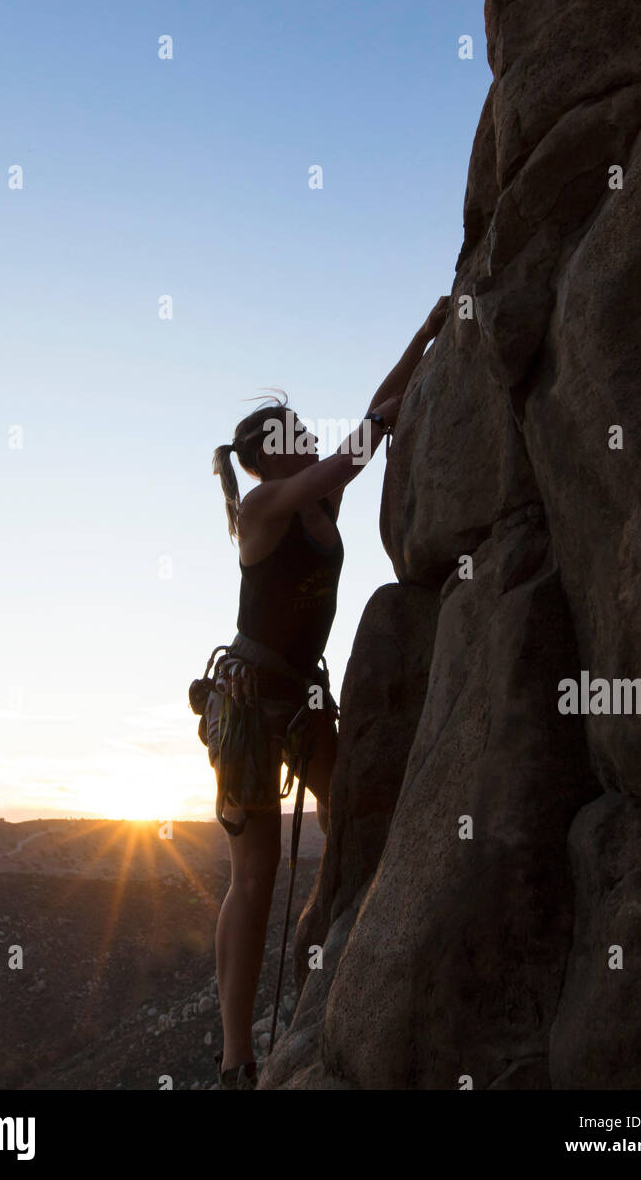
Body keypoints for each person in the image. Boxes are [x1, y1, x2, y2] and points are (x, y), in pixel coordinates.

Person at [204, 296, 450, 1089]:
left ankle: (330, 934)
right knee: (258, 872)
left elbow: (363, 433)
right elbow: (354, 451)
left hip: (299, 700)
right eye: (295, 428)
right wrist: (406, 369)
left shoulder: (313, 500)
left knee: (353, 810)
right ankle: (237, 1056)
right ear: (271, 454)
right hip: (251, 705)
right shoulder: (264, 506)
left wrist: (422, 336)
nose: (309, 430)